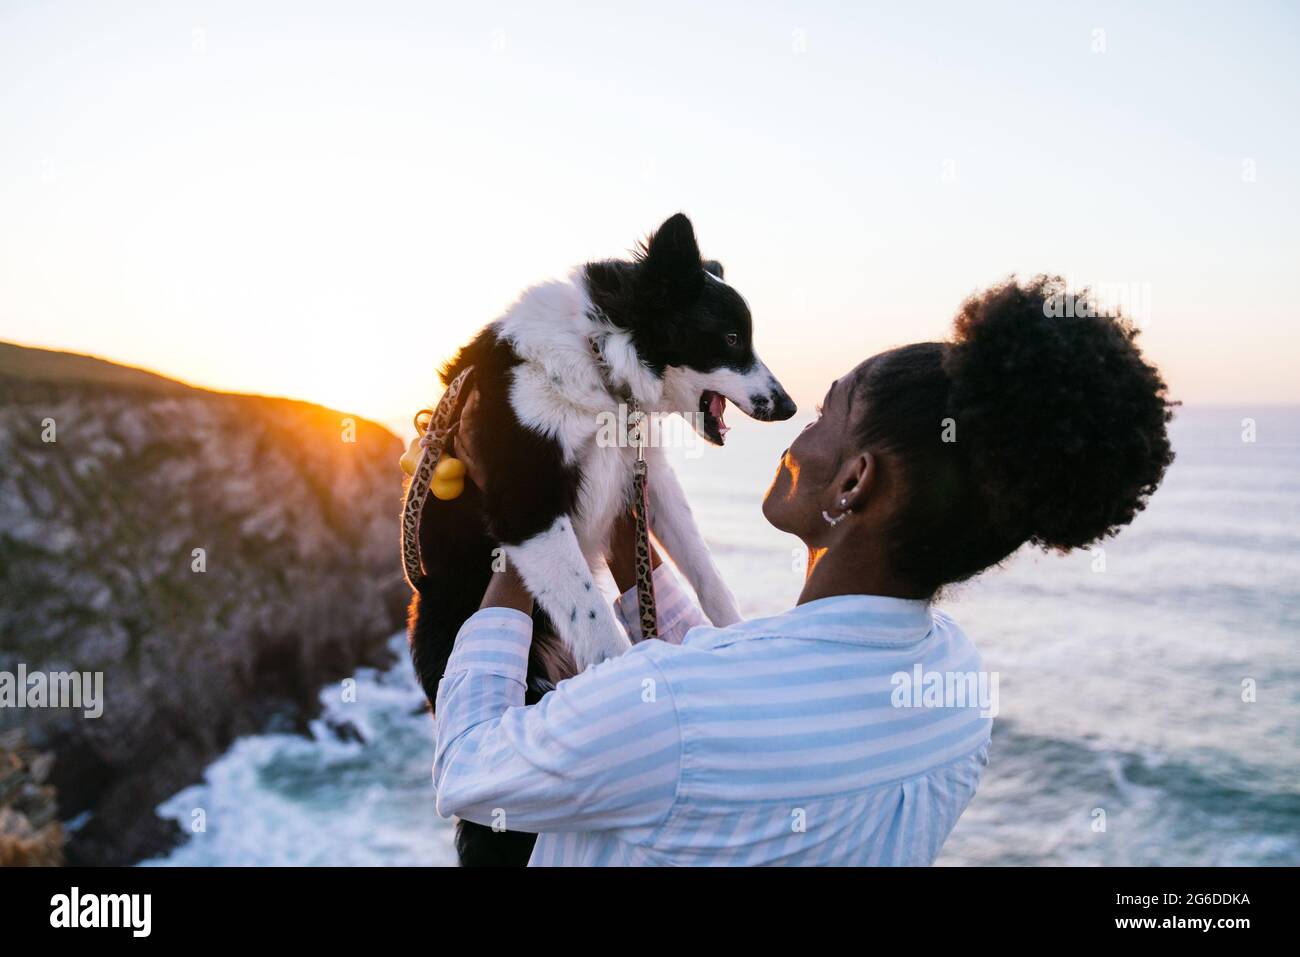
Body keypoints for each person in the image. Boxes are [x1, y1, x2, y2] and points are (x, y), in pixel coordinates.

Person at [432, 276, 1175, 866]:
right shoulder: (957, 691)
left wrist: (523, 526)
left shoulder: (671, 717)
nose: (798, 426)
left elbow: (469, 769)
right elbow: (731, 683)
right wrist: (631, 540)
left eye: (825, 412)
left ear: (854, 482)